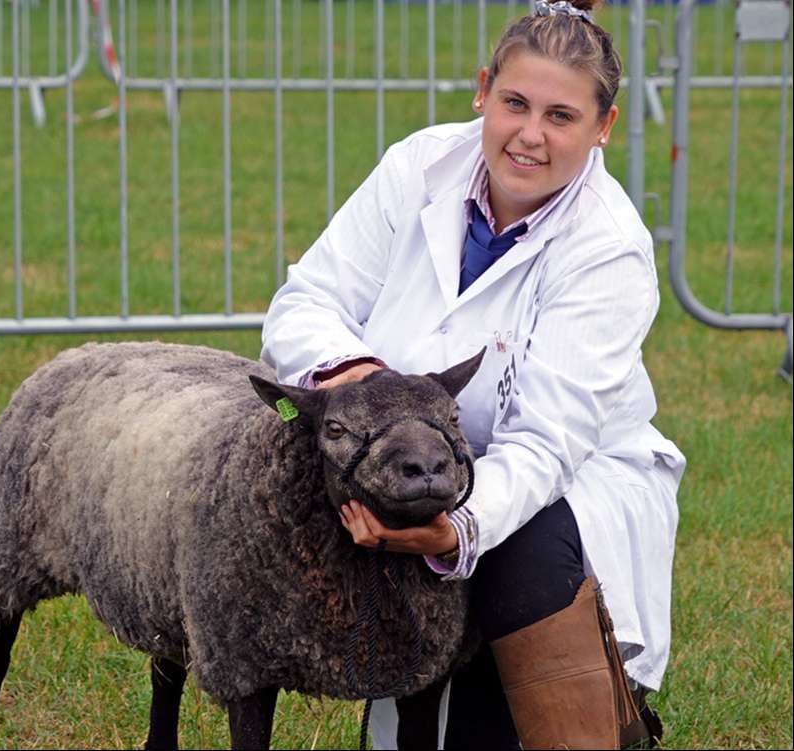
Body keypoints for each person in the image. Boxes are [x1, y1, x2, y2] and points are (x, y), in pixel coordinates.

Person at [261, 0, 685, 747]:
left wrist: (449, 529)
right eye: (515, 102)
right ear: (481, 89)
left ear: (602, 128)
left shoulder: (609, 247)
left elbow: (543, 446)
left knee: (518, 540)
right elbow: (305, 302)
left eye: (561, 116)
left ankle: (596, 722)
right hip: (414, 457)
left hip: (565, 483)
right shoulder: (417, 164)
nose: (529, 134)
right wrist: (366, 387)